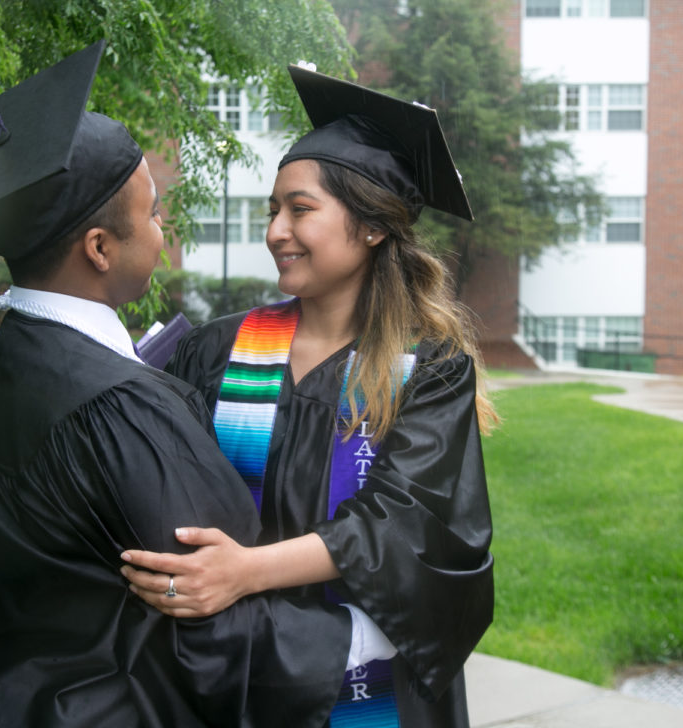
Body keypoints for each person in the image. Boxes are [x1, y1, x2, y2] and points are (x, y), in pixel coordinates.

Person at [0, 43, 394, 728]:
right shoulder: (125, 411)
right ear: (101, 248)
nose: (164, 232)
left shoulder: (3, 372)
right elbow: (206, 620)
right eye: (154, 214)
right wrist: (368, 641)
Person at [120, 65, 498, 727]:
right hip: (233, 665)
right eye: (273, 210)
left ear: (372, 226)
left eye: (300, 209)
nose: (275, 231)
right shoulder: (220, 349)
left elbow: (403, 527)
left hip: (369, 680)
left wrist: (243, 572)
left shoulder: (428, 368)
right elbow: (112, 409)